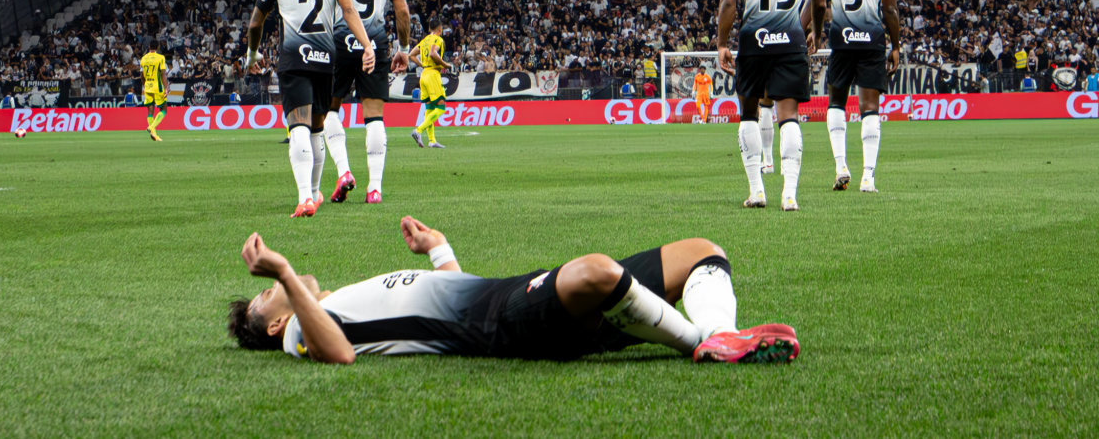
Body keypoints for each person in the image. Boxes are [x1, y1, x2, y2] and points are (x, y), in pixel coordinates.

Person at [228, 215, 799, 366]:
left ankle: (721, 337)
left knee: (701, 251)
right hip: (494, 324)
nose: (277, 287)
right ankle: (700, 343)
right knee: (595, 272)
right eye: (263, 302)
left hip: (495, 296)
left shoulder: (329, 305)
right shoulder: (301, 329)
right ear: (275, 324)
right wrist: (280, 274)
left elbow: (442, 296)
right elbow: (341, 355)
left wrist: (438, 250)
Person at [245, 0, 376, 217]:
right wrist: (367, 45)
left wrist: (252, 55)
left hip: (293, 59)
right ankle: (315, 194)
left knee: (298, 126)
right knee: (317, 129)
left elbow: (256, 23)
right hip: (325, 60)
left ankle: (305, 196)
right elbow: (348, 9)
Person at [716, 0, 825, 211]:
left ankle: (757, 191)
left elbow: (728, 2)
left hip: (754, 40)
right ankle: (789, 193)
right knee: (788, 115)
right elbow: (819, 2)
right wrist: (816, 34)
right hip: (791, 40)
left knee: (749, 112)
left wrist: (722, 43)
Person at [319, 0, 411, 206]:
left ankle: (344, 172)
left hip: (337, 42)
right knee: (374, 116)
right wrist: (404, 48)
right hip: (375, 42)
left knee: (328, 111)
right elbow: (403, 12)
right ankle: (375, 189)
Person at [820, 0, 900, 194]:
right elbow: (889, 10)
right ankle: (868, 178)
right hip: (871, 42)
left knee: (836, 102)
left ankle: (841, 166)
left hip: (841, 40)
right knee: (869, 108)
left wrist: (809, 29)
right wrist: (896, 46)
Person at [408, 16, 452, 150]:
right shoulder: (437, 39)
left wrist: (422, 65)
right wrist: (445, 65)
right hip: (433, 74)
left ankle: (432, 141)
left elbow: (411, 55)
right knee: (441, 107)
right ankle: (418, 130)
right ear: (440, 29)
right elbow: (433, 53)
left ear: (429, 28)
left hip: (424, 74)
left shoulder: (424, 40)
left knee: (429, 108)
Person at [140, 41, 168, 142]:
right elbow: (163, 74)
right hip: (157, 86)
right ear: (158, 47)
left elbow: (141, 75)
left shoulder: (143, 58)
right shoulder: (160, 58)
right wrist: (166, 88)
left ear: (149, 46)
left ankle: (154, 134)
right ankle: (152, 127)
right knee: (164, 108)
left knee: (150, 110)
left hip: (147, 86)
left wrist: (145, 86)